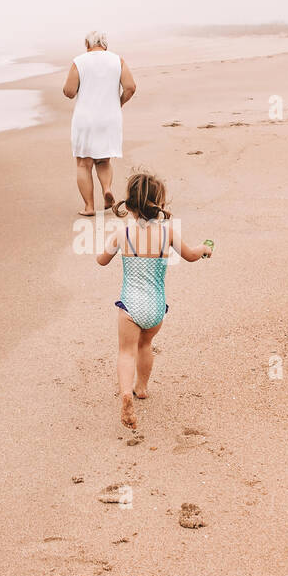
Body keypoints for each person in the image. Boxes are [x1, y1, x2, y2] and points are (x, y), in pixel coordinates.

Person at [96, 171, 211, 429]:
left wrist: (107, 249)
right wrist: (204, 249)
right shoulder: (168, 233)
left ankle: (126, 394)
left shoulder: (123, 233)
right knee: (145, 345)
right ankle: (142, 387)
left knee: (126, 351)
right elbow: (191, 255)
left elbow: (101, 260)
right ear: (159, 203)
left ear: (131, 204)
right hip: (157, 306)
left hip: (130, 307)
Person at [64, 30, 136, 216]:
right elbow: (130, 87)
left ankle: (89, 207)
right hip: (109, 118)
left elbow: (69, 91)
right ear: (105, 45)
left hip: (85, 119)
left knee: (83, 163)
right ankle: (107, 189)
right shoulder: (117, 60)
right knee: (103, 159)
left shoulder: (79, 61)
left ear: (87, 44)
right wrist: (118, 103)